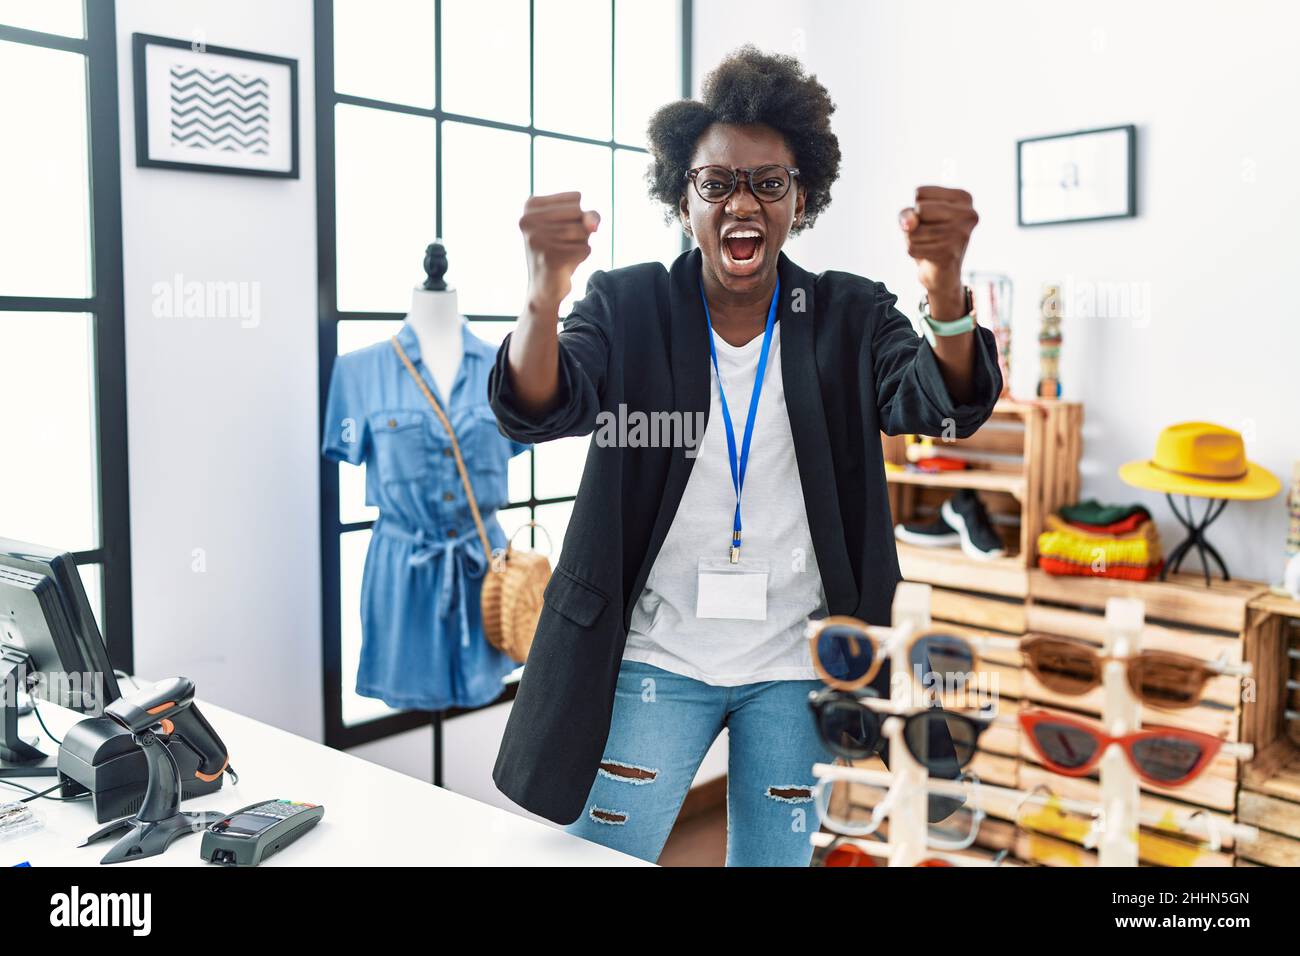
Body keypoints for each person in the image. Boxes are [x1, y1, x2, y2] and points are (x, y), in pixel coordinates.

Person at [487, 45, 1001, 866]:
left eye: (770, 182)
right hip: (655, 660)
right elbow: (543, 405)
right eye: (716, 181)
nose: (743, 203)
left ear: (802, 196)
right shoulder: (631, 305)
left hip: (796, 667)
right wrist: (542, 298)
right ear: (681, 195)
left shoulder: (848, 314)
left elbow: (939, 404)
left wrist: (944, 290)